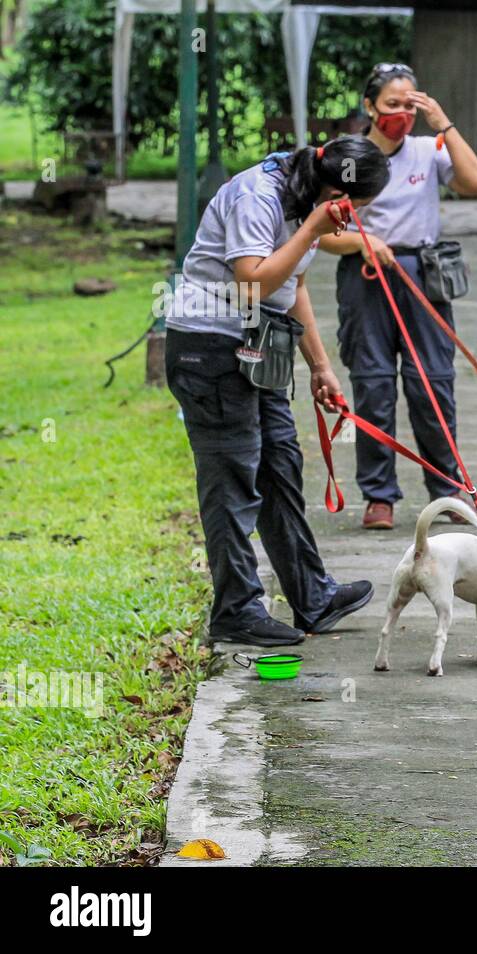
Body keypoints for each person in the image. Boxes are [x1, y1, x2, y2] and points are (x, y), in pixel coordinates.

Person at [165, 135, 391, 647]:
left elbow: (294, 286)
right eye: (357, 208)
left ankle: (311, 595)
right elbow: (252, 282)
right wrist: (314, 226)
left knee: (281, 465)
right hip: (211, 350)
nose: (356, 220)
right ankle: (236, 610)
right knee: (233, 481)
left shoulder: (304, 198)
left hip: (261, 347)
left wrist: (321, 367)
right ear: (339, 192)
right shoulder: (259, 197)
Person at [318, 63, 477, 531]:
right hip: (366, 275)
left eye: (410, 104)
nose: (401, 114)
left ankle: (447, 490)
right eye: (392, 104)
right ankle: (379, 495)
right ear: (369, 106)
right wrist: (360, 242)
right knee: (371, 386)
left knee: (432, 384)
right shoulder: (347, 158)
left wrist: (443, 123)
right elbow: (319, 231)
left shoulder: (427, 149)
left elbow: (476, 184)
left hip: (422, 276)